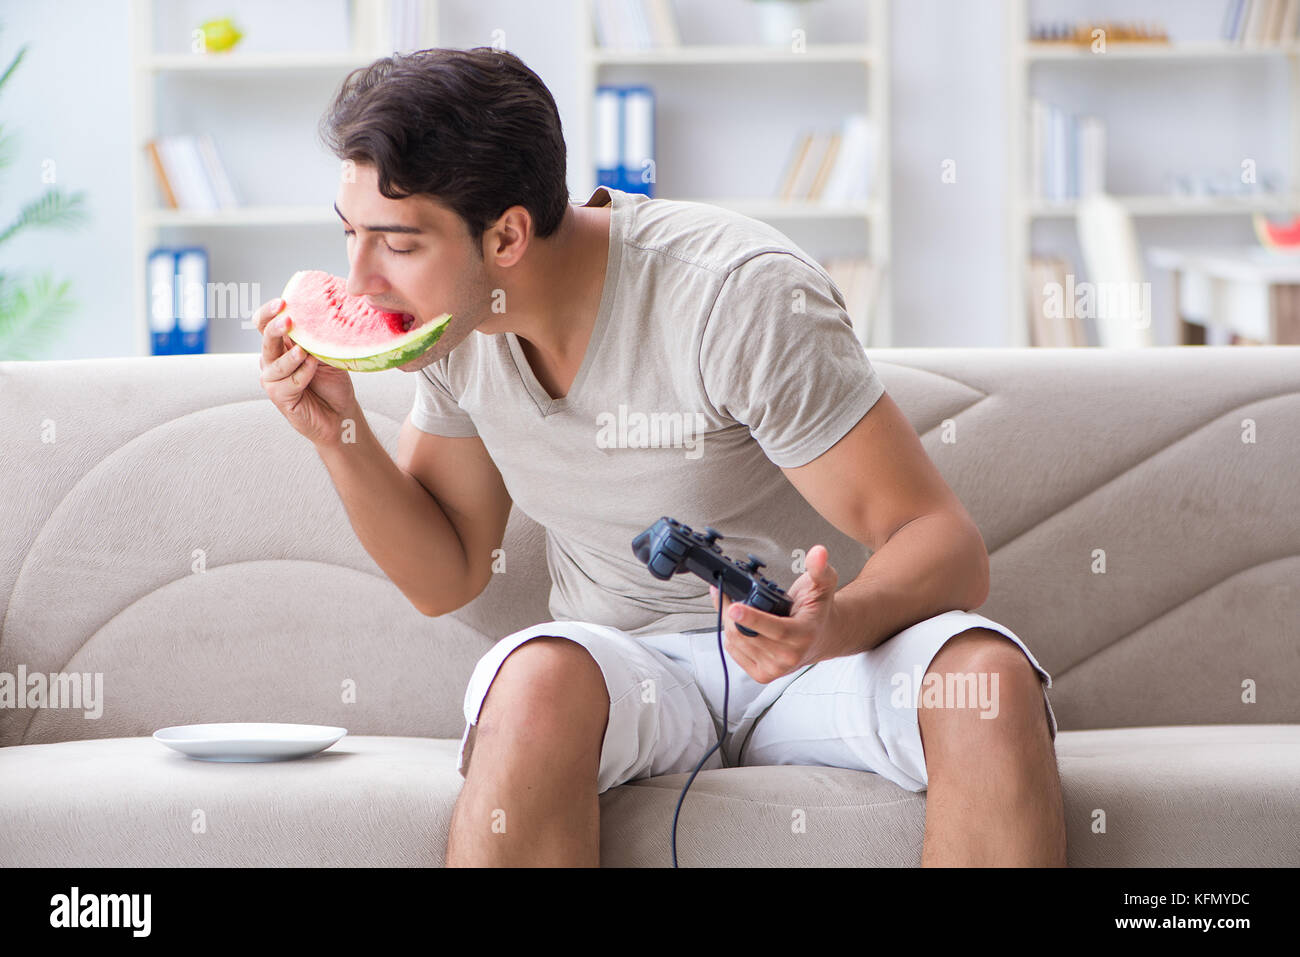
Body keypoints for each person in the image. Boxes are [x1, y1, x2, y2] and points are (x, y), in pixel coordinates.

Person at [257, 46, 1065, 868]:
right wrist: (339, 436)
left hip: (824, 657)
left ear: (506, 236)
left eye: (395, 244)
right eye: (349, 233)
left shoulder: (736, 295)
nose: (357, 282)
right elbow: (448, 575)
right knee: (533, 682)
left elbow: (944, 541)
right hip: (628, 669)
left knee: (989, 684)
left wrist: (832, 624)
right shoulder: (461, 331)